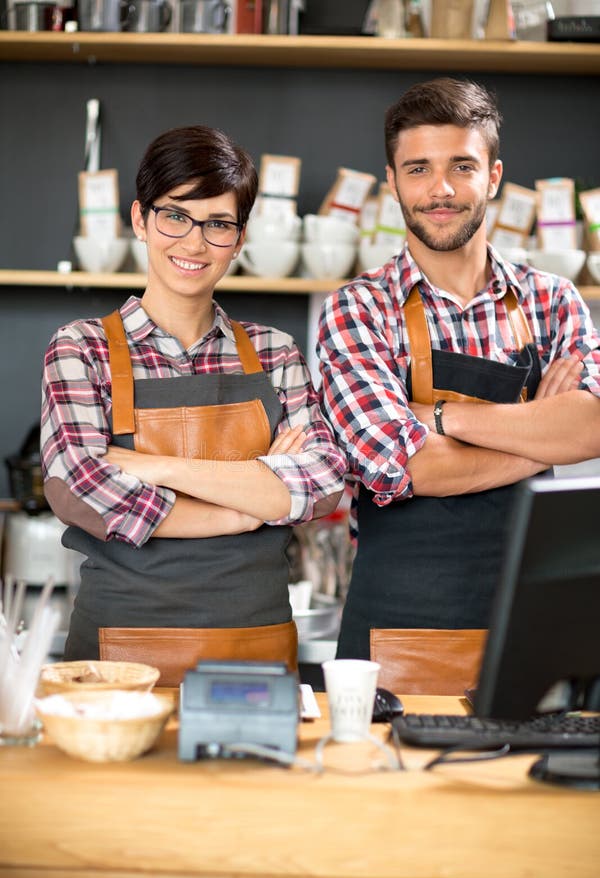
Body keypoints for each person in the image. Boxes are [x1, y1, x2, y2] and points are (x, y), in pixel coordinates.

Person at [41, 124, 346, 666]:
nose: (194, 243)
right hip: (118, 653)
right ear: (140, 220)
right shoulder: (82, 348)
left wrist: (157, 468)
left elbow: (321, 484)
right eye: (176, 216)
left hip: (256, 649)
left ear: (240, 238)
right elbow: (80, 489)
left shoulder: (275, 353)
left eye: (218, 224)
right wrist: (248, 507)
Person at [317, 77, 600, 660]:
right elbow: (404, 465)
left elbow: (591, 428)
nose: (440, 189)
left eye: (461, 167)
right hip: (397, 634)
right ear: (392, 181)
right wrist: (544, 432)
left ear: (493, 176)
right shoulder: (358, 309)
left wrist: (440, 418)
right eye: (418, 169)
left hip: (533, 627)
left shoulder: (553, 301)